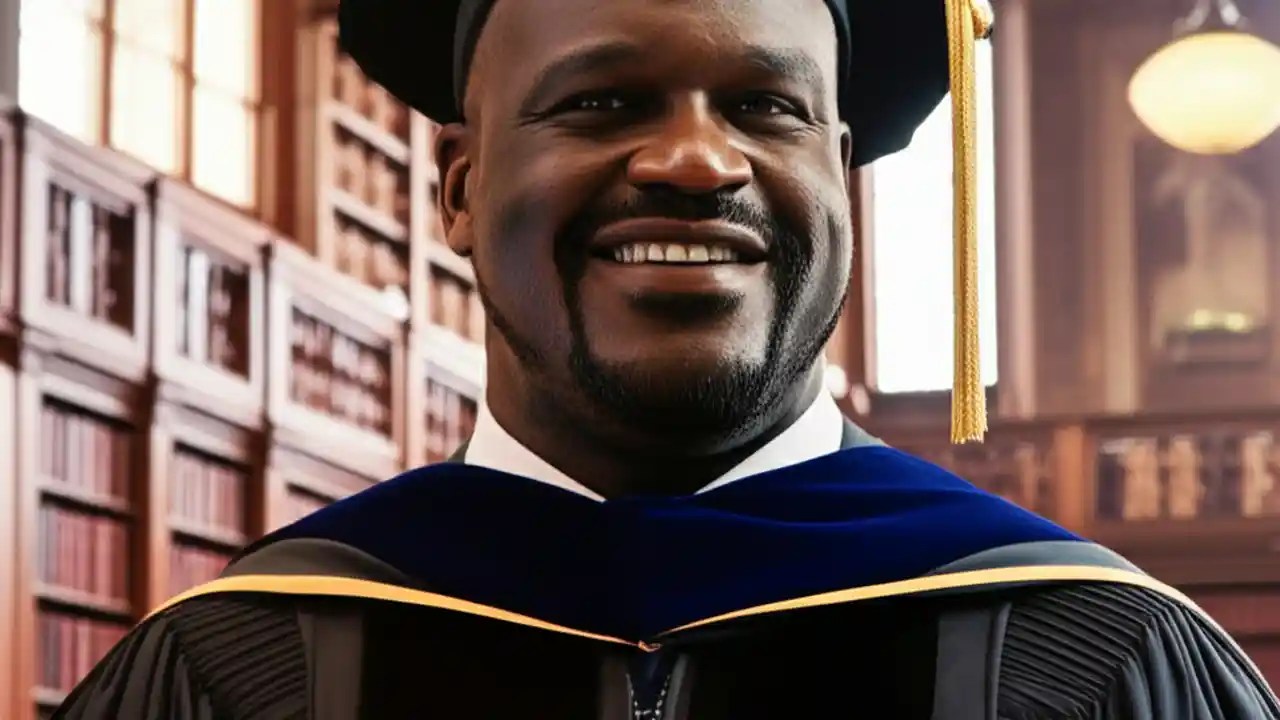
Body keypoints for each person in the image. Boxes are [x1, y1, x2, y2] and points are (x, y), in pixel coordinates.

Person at [56, 0, 1279, 717]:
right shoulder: (238, 663)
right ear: (461, 189)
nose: (695, 162)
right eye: (599, 103)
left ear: (839, 181)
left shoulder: (1094, 654)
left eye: (765, 107)